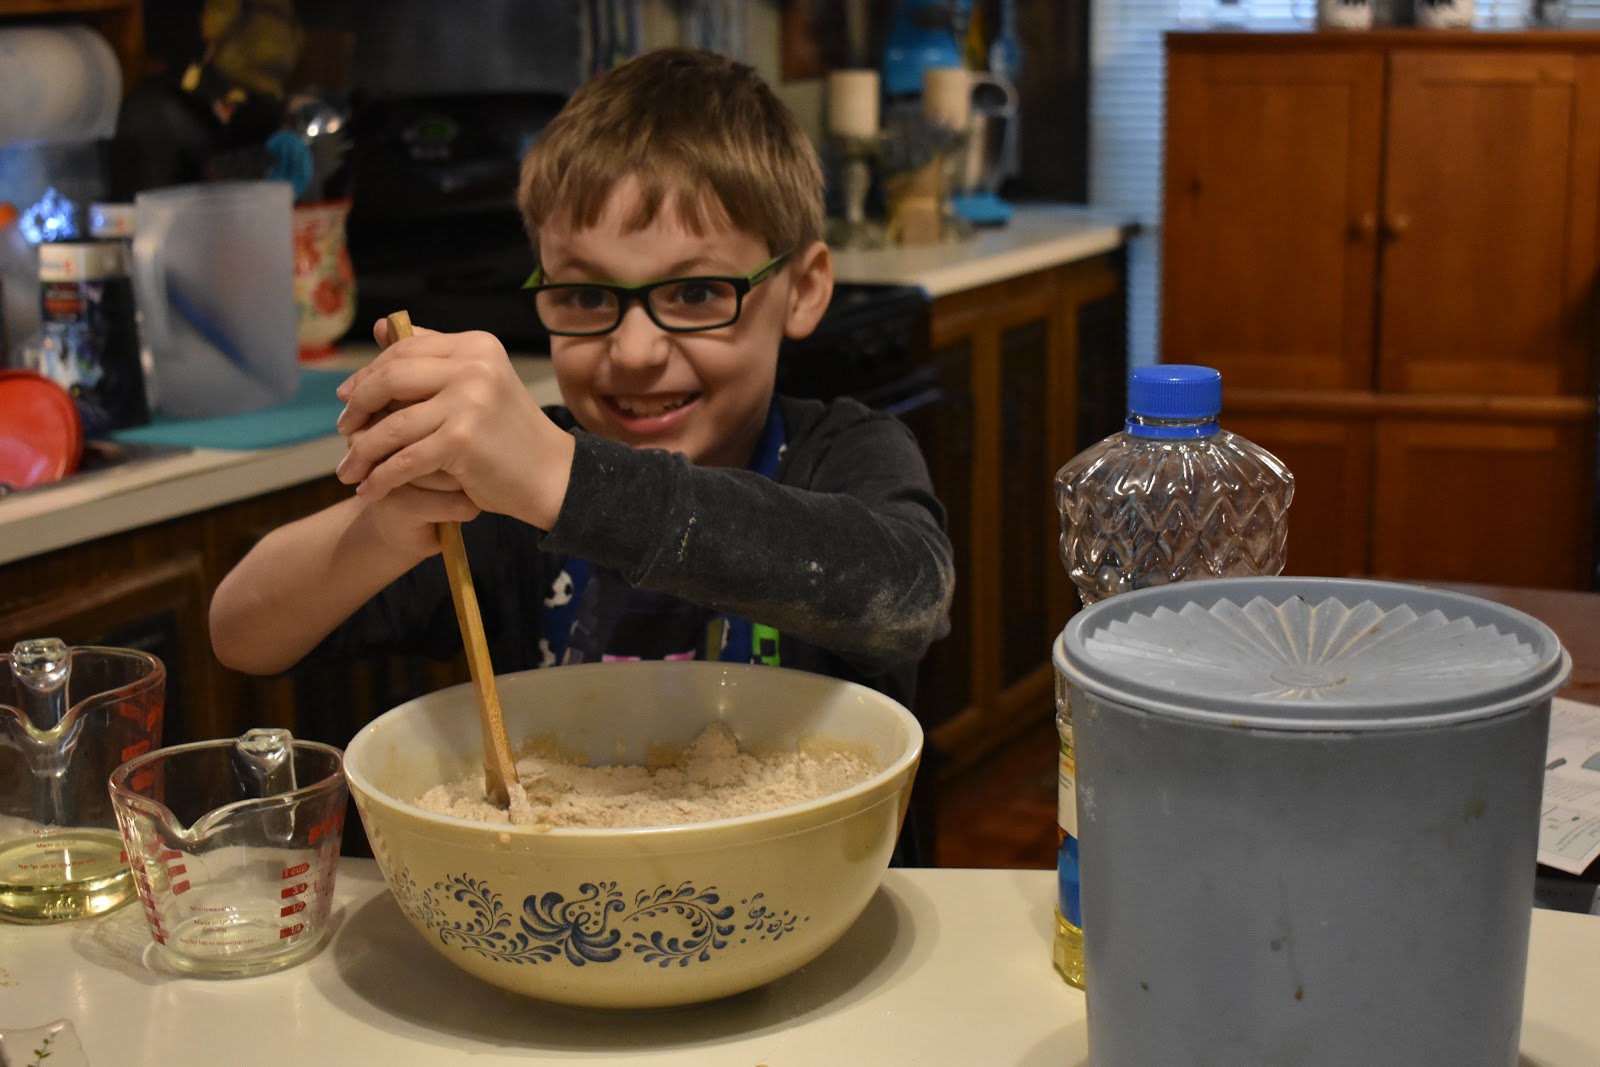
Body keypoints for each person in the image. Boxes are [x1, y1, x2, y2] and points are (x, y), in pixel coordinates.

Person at [208, 46, 954, 861]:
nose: (634, 351)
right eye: (588, 295)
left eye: (697, 292)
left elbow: (906, 594)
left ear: (803, 289)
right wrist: (387, 529)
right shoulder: (504, 491)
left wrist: (565, 477)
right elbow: (241, 631)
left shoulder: (844, 452)